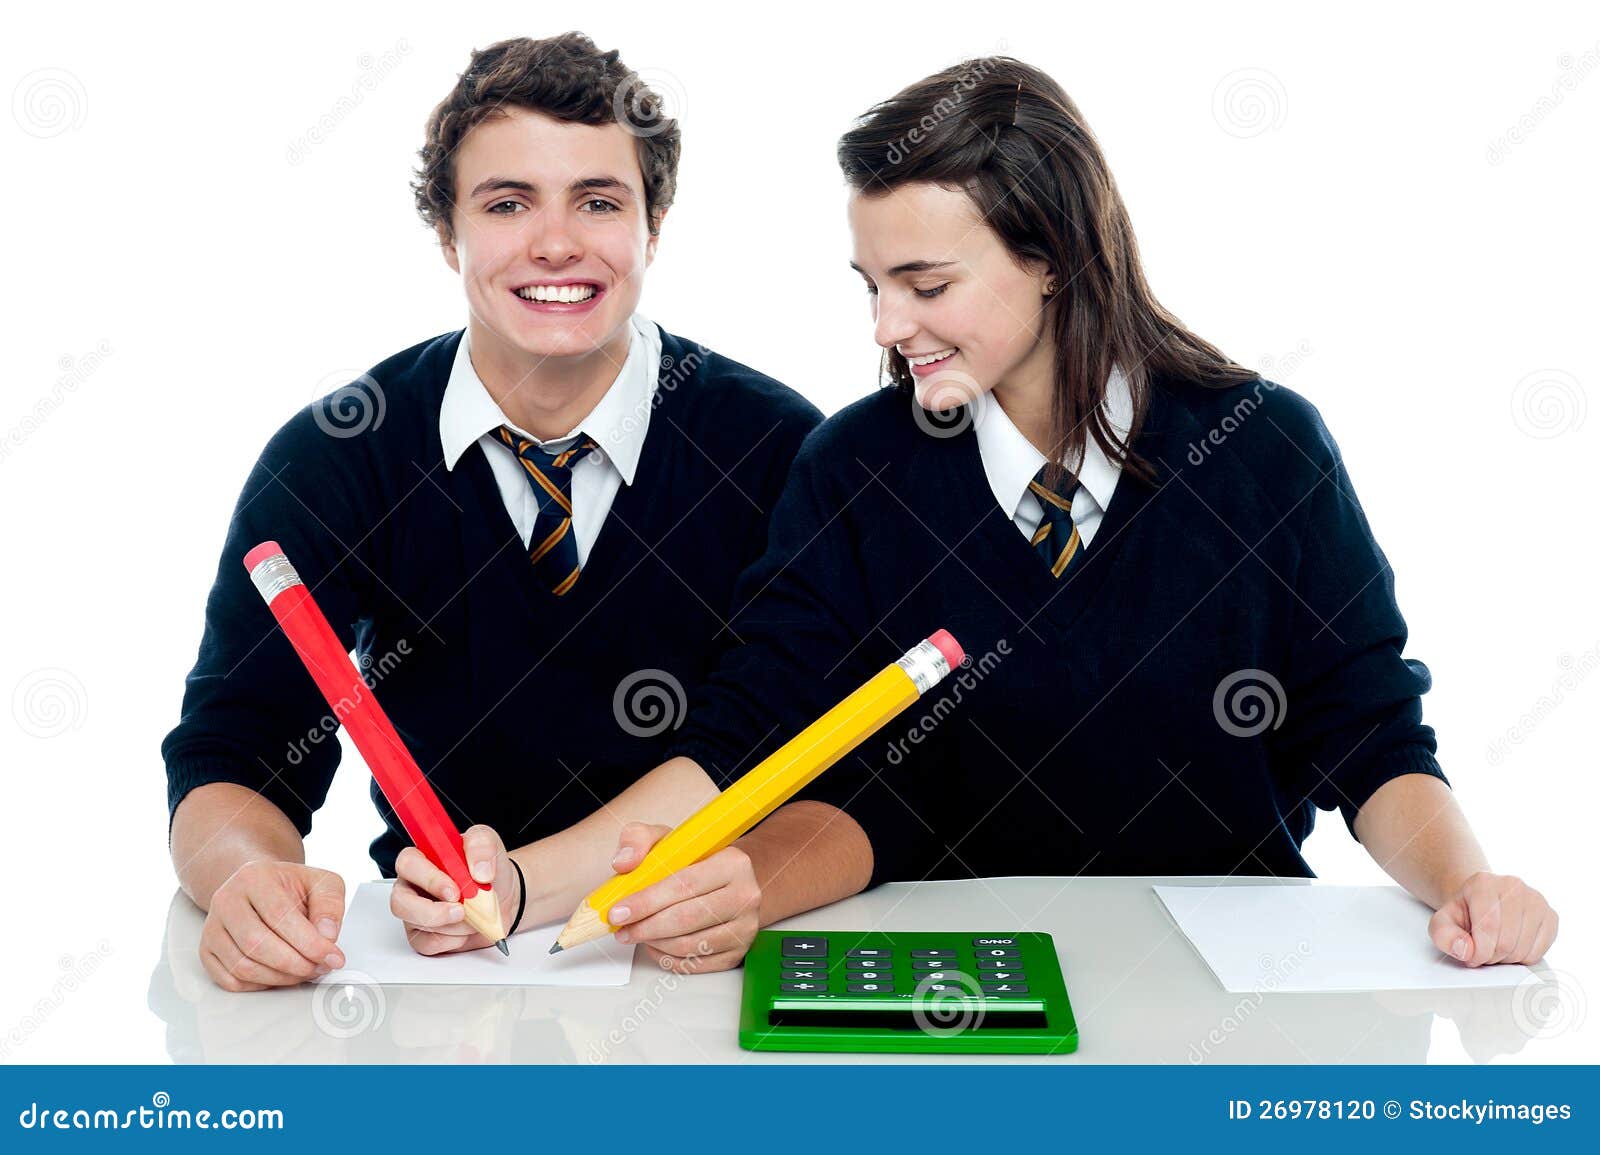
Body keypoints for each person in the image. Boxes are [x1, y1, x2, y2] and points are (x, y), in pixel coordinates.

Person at [654, 55, 1557, 968]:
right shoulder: (854, 467)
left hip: (1236, 991)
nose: (886, 328)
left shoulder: (1264, 447)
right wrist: (743, 887)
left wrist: (1466, 886)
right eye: (871, 286)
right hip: (964, 987)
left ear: (1050, 259)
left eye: (926, 287)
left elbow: (1367, 729)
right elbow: (822, 763)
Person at [162, 33, 824, 991]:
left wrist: (533, 886)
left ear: (655, 225)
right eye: (507, 204)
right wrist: (246, 877)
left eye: (598, 202)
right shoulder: (337, 455)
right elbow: (234, 747)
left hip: (696, 966)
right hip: (436, 989)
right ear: (448, 234)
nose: (555, 243)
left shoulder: (778, 450)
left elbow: (788, 750)